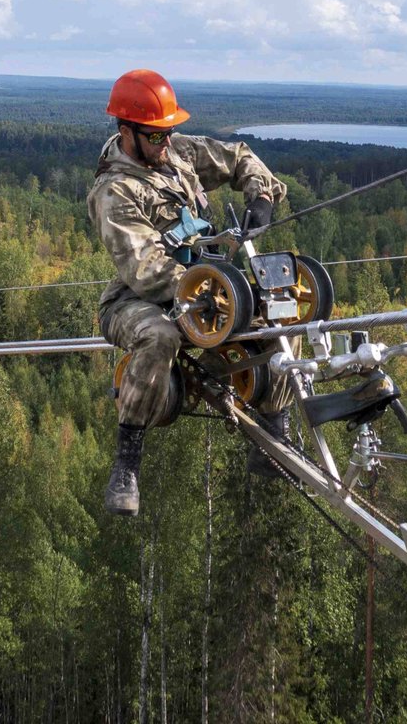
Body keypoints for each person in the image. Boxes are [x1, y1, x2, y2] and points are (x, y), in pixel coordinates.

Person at [87, 68, 293, 516]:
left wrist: (261, 197)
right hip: (138, 300)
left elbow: (238, 156)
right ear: (127, 133)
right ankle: (127, 463)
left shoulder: (176, 154)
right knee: (161, 335)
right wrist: (214, 292)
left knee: (277, 309)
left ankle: (275, 432)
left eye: (169, 132)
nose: (167, 142)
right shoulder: (114, 192)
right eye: (156, 136)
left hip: (205, 289)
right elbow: (144, 270)